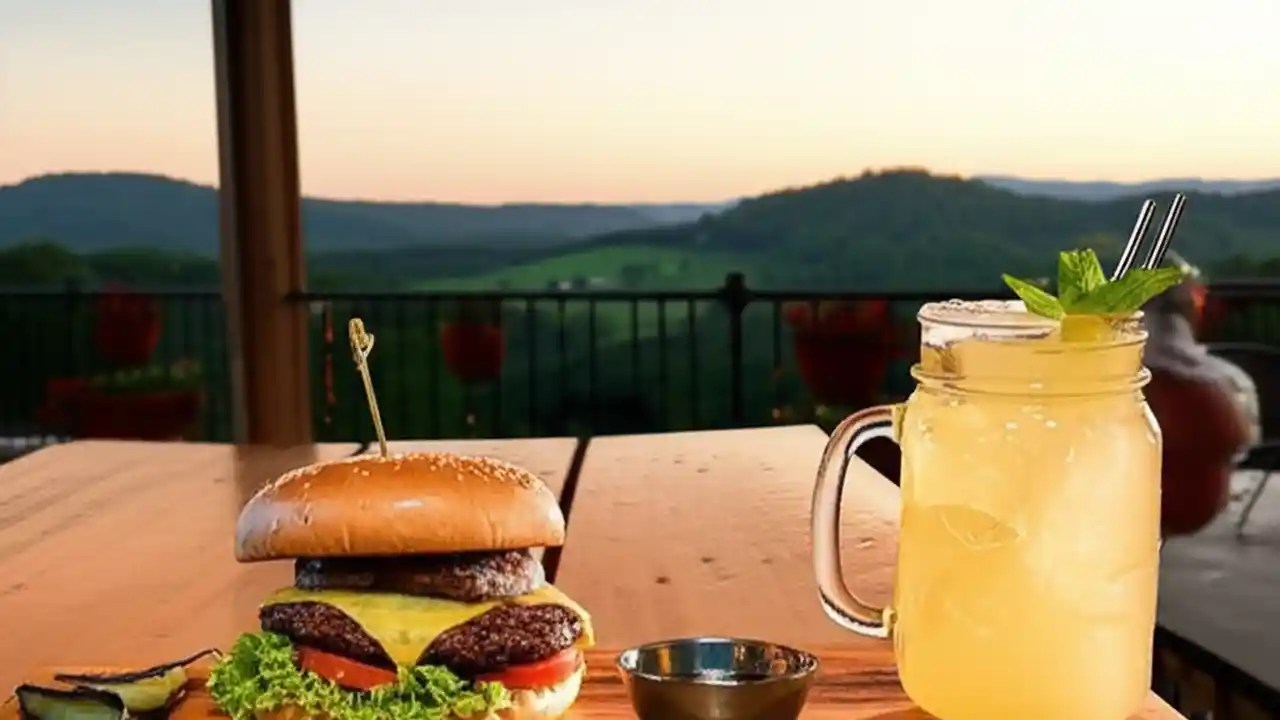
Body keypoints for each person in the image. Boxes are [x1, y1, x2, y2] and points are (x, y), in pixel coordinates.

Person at [1141, 254, 1256, 536]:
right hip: (1195, 505)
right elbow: (1243, 440)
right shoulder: (1223, 382)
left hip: (1126, 505)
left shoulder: (1111, 381)